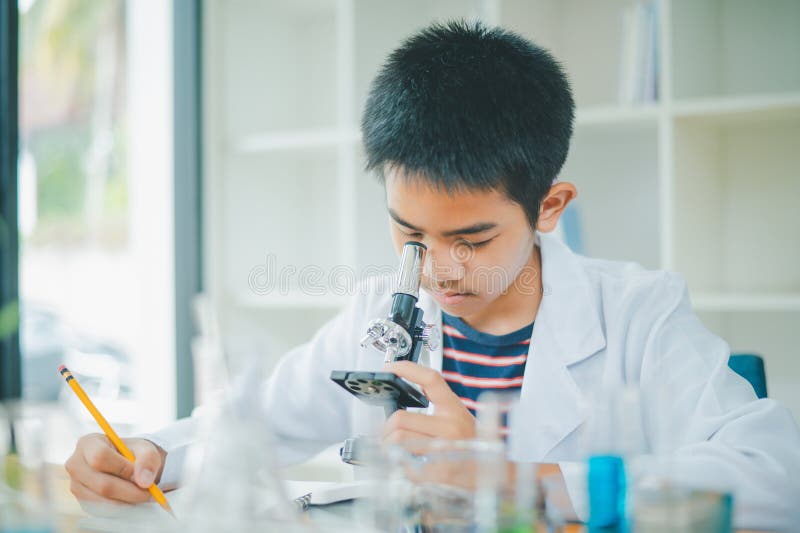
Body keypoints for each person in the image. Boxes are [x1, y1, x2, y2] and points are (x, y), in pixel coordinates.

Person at [64, 21, 800, 528]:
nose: (437, 269)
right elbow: (252, 420)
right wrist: (151, 453)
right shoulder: (378, 315)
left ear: (549, 205)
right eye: (409, 232)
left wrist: (520, 481)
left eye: (473, 238)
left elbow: (776, 472)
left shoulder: (638, 313)